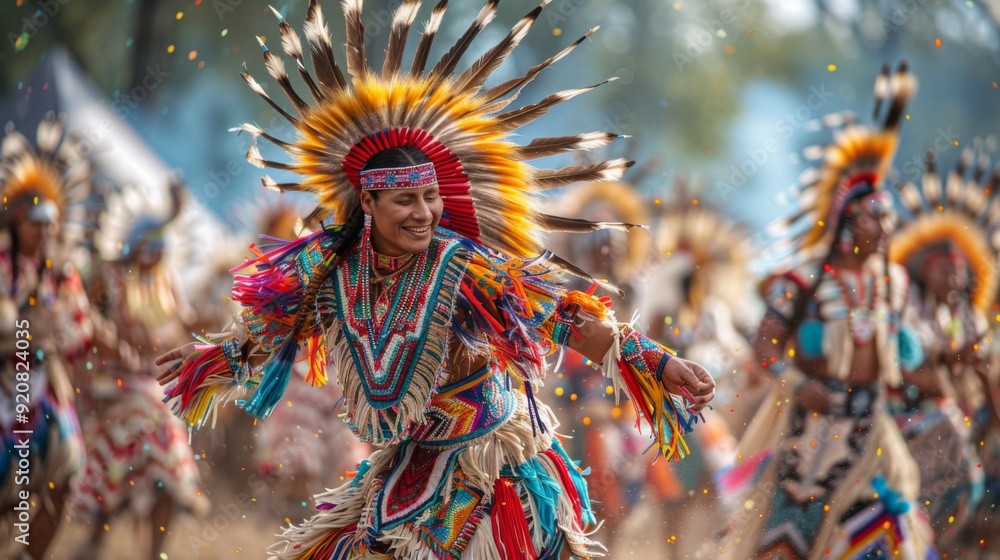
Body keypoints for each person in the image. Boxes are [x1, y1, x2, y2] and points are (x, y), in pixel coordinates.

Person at [156, 1, 715, 557]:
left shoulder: (464, 266)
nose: (424, 213)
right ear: (368, 201)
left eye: (430, 197)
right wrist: (216, 358)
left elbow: (563, 317)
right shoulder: (328, 267)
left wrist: (659, 364)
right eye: (405, 200)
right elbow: (277, 328)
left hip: (492, 468)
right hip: (403, 468)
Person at [719, 62, 936, 559]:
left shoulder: (895, 284)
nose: (885, 228)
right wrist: (796, 384)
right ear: (846, 224)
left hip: (872, 427)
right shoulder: (802, 280)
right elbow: (764, 345)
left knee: (886, 531)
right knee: (786, 536)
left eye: (888, 217)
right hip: (807, 428)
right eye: (874, 218)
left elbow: (906, 356)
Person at [73, 179, 208, 560]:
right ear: (133, 246)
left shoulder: (167, 282)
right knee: (144, 426)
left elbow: (188, 322)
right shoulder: (112, 277)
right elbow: (82, 318)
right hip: (110, 385)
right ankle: (98, 540)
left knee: (154, 429)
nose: (154, 255)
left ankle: (153, 549)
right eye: (147, 246)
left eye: (161, 247)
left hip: (152, 392)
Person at [0, 113, 111, 559]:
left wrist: (64, 330)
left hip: (45, 388)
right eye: (34, 222)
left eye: (50, 223)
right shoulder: (4, 265)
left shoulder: (62, 275)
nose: (43, 231)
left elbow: (80, 330)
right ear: (15, 221)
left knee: (66, 477)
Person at [887, 146, 998, 555]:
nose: (952, 276)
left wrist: (978, 373)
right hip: (905, 411)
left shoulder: (973, 319)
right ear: (924, 272)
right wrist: (949, 361)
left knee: (969, 484)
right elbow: (901, 366)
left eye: (958, 270)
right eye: (942, 269)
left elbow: (981, 378)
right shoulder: (907, 310)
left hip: (963, 416)